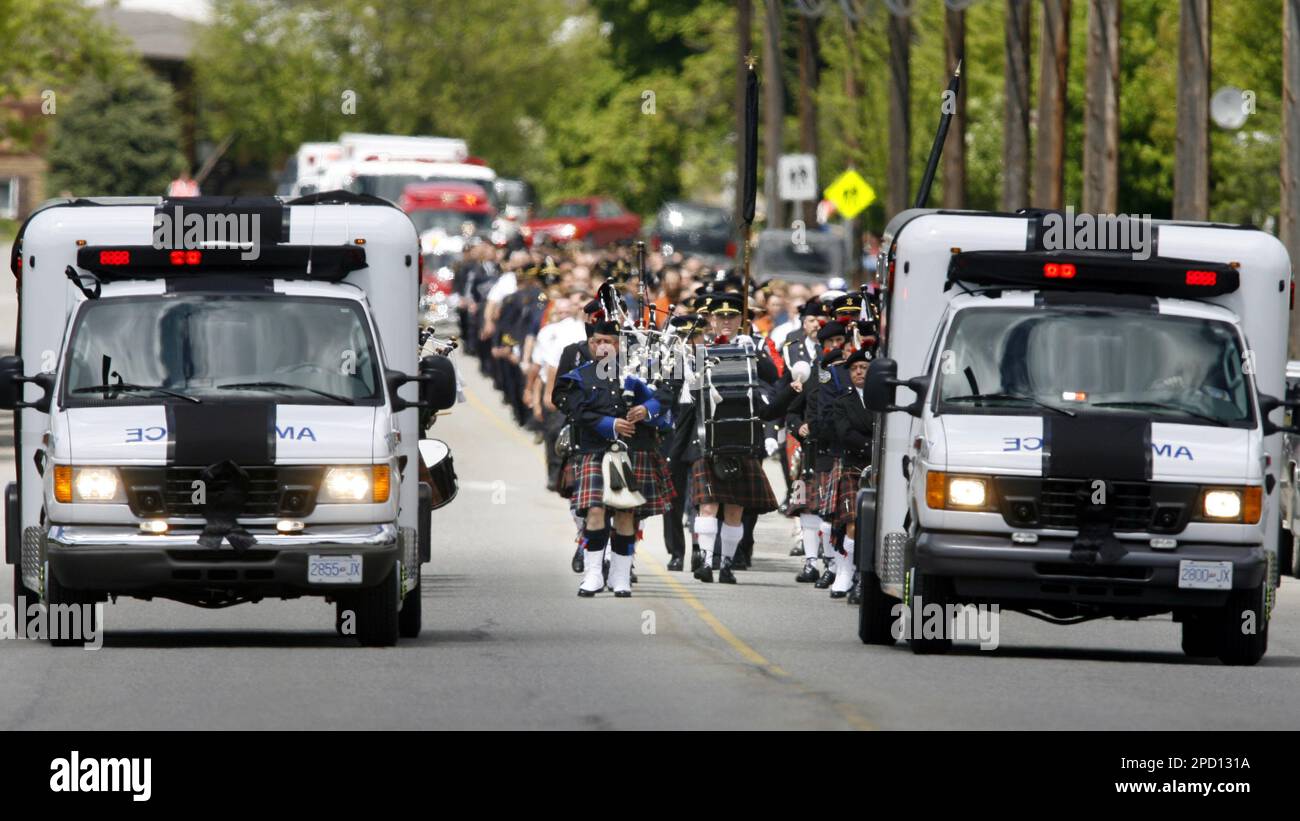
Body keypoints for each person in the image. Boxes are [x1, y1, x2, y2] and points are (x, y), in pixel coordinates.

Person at [685, 292, 799, 584]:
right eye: (720, 317)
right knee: (708, 505)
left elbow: (771, 386)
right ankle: (705, 561)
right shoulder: (699, 349)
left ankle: (726, 564)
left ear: (741, 320)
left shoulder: (753, 347)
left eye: (732, 317)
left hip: (743, 436)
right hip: (711, 436)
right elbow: (686, 389)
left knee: (735, 507)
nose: (726, 322)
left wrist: (754, 353)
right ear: (710, 319)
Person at [557, 321, 675, 597]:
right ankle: (593, 574)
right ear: (590, 345)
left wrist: (647, 409)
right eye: (596, 342)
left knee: (626, 513)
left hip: (632, 452)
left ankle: (620, 575)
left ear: (620, 344)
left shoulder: (639, 373)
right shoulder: (579, 377)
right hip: (594, 451)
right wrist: (609, 424)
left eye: (608, 341)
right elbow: (575, 411)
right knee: (595, 511)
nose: (602, 346)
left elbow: (666, 394)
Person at [830, 348, 873, 603]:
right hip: (855, 467)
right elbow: (844, 432)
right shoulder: (843, 401)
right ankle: (848, 574)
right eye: (855, 369)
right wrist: (871, 446)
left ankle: (863, 577)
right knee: (853, 524)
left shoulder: (883, 400)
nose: (859, 372)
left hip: (879, 469)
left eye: (864, 368)